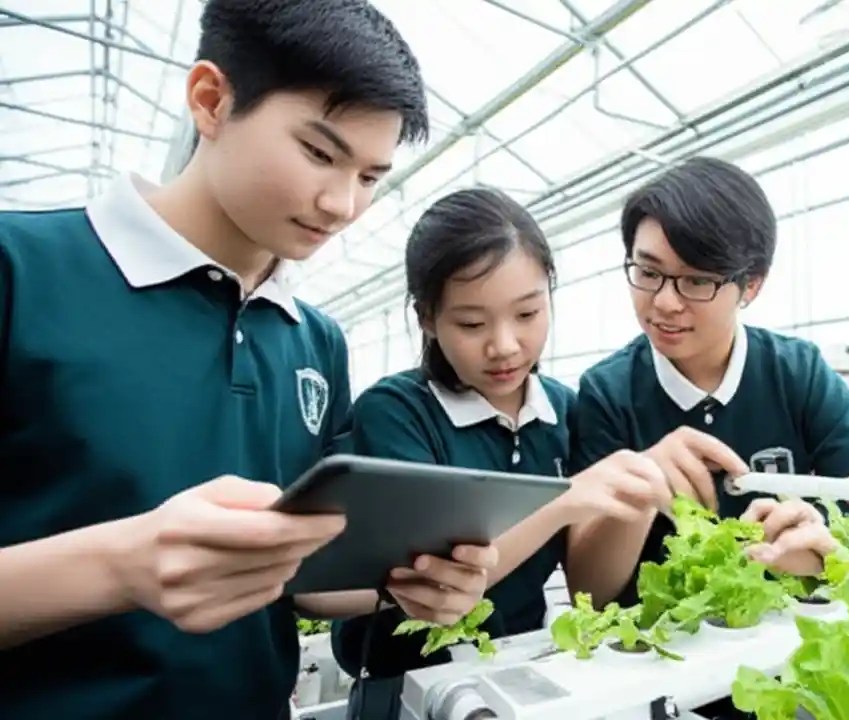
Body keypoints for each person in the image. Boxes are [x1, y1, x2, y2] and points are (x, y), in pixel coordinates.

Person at [0, 2, 494, 718]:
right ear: (210, 100)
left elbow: (306, 574)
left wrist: (408, 581)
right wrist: (122, 566)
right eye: (320, 154)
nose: (341, 203)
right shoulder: (23, 272)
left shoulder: (313, 340)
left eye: (371, 176)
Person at [330, 188, 666, 719]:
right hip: (406, 689)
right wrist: (564, 500)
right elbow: (439, 578)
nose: (505, 345)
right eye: (471, 324)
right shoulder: (396, 412)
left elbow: (592, 585)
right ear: (426, 317)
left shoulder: (565, 409)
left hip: (523, 677)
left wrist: (637, 494)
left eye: (528, 313)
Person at [568, 157, 849, 609]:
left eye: (697, 280)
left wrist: (826, 552)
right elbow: (588, 590)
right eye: (649, 272)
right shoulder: (609, 392)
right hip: (665, 654)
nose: (665, 302)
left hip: (784, 637)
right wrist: (640, 485)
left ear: (751, 285)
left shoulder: (794, 373)